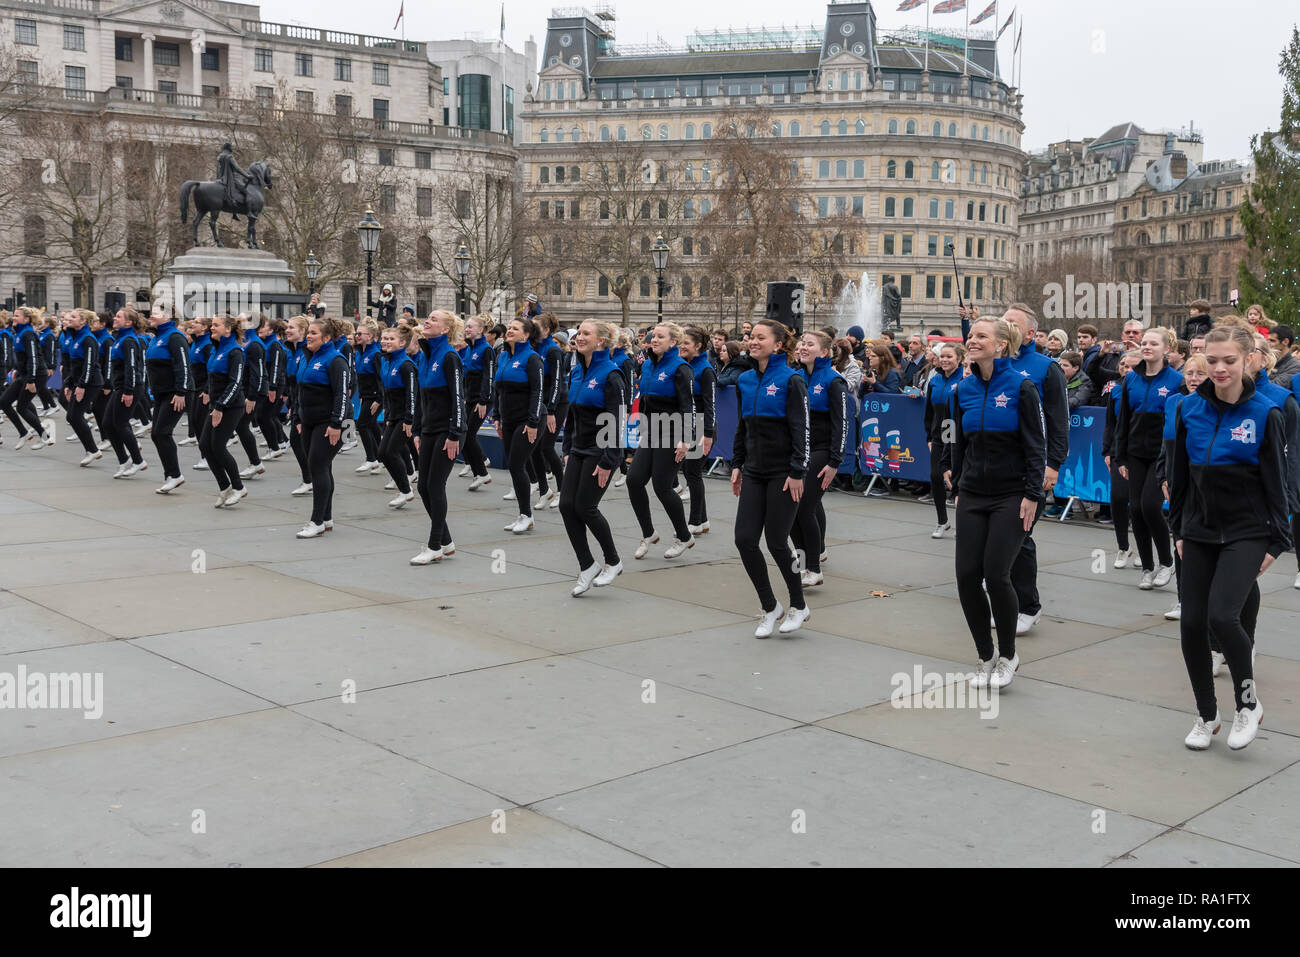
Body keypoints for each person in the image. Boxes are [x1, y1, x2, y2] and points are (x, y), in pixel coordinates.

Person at [1171, 325, 1291, 751]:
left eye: (1229, 361)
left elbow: (1277, 482)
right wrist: (1178, 531)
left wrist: (1278, 542)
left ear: (1247, 361)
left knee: (1223, 617)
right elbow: (1179, 477)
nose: (1219, 368)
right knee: (1191, 625)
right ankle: (1206, 715)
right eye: (1212, 360)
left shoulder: (1266, 413)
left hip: (1248, 532)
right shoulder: (1187, 409)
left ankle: (1247, 704)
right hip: (1198, 531)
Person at [945, 316, 1046, 690]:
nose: (972, 341)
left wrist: (1033, 494)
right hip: (972, 493)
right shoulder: (961, 390)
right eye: (970, 336)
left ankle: (1008, 655)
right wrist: (955, 480)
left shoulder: (1023, 387)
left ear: (1002, 345)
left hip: (1012, 495)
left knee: (996, 573)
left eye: (981, 336)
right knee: (966, 576)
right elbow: (955, 439)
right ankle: (985, 654)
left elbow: (1037, 445)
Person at [732, 320, 811, 637]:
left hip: (783, 474)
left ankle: (799, 604)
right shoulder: (746, 380)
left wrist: (797, 472)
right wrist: (737, 463)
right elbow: (742, 426)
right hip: (753, 470)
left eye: (760, 338)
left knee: (778, 542)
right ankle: (769, 606)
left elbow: (802, 430)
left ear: (778, 345)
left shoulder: (792, 381)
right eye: (751, 337)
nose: (753, 341)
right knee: (744, 539)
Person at [561, 319, 627, 594]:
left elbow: (617, 420)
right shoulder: (576, 371)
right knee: (567, 506)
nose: (579, 336)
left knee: (586, 507)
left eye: (586, 333)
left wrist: (609, 461)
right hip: (578, 449)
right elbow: (572, 415)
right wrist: (566, 449)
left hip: (601, 451)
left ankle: (613, 561)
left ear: (601, 340)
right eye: (578, 332)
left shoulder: (612, 374)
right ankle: (587, 565)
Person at [1116, 326, 1182, 590]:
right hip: (1135, 453)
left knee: (1151, 506)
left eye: (1153, 343)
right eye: (1144, 342)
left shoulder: (1176, 380)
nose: (1147, 347)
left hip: (1161, 454)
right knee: (1136, 510)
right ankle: (1147, 567)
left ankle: (1167, 562)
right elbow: (1124, 420)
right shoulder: (1131, 379)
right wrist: (1120, 456)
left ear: (1166, 349)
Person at [628, 322, 696, 560]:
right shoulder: (646, 365)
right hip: (651, 432)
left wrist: (685, 439)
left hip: (672, 433)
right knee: (634, 480)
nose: (654, 340)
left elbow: (688, 406)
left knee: (662, 487)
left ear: (673, 342)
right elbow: (645, 400)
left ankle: (684, 536)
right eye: (653, 336)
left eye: (660, 337)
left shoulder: (681, 368)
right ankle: (649, 533)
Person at [791, 330, 850, 586]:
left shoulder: (833, 381)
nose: (803, 347)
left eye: (810, 344)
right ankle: (806, 561)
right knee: (793, 509)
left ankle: (813, 569)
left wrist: (835, 461)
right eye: (802, 343)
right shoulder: (797, 376)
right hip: (798, 451)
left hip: (822, 451)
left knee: (804, 507)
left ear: (824, 351)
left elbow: (842, 423)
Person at [410, 310, 466, 560]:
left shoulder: (450, 356)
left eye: (433, 319)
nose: (427, 321)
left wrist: (454, 434)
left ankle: (435, 547)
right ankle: (446, 540)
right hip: (430, 430)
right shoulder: (424, 355)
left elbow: (458, 398)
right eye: (428, 317)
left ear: (445, 330)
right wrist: (418, 430)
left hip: (448, 430)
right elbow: (422, 399)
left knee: (435, 485)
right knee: (423, 486)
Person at [1157, 354, 1209, 621]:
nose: (1193, 379)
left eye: (1200, 373)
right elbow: (1167, 443)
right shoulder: (1176, 403)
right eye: (1189, 373)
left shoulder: (1215, 407)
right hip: (1177, 483)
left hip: (1205, 487)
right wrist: (1163, 476)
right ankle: (1183, 600)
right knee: (1180, 542)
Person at [294, 317, 349, 537]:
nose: (308, 335)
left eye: (313, 333)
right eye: (308, 332)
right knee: (321, 467)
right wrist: (298, 418)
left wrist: (336, 424)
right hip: (310, 422)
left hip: (333, 423)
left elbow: (343, 394)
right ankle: (326, 518)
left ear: (326, 338)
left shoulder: (336, 360)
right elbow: (301, 390)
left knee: (317, 467)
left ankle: (316, 521)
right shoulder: (309, 357)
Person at [494, 317, 544, 533]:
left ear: (526, 335)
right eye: (509, 327)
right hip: (509, 419)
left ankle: (527, 515)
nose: (510, 330)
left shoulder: (532, 358)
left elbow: (538, 391)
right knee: (513, 467)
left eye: (516, 328)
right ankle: (523, 513)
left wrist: (533, 422)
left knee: (516, 464)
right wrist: (497, 416)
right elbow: (499, 389)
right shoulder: (503, 356)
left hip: (529, 420)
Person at [199, 314, 248, 507]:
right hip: (216, 404)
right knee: (205, 445)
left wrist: (220, 406)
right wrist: (208, 393)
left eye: (216, 325)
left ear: (228, 329)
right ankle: (224, 486)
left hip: (231, 406)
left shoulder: (235, 351)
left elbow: (235, 382)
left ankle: (238, 487)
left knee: (218, 446)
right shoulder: (215, 349)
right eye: (211, 325)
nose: (212, 328)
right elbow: (213, 378)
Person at [144, 306, 191, 493]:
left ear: (167, 317)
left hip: (174, 393)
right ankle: (171, 474)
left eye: (155, 313)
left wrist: (181, 392)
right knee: (157, 434)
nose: (150, 316)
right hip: (162, 393)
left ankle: (175, 475)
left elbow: (184, 366)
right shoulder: (157, 338)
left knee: (161, 433)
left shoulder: (175, 337)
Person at [376, 323, 420, 518]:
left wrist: (410, 419)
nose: (386, 341)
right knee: (383, 453)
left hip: (405, 417)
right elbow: (387, 393)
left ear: (402, 343)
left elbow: (412, 394)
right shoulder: (386, 362)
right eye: (384, 338)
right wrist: (387, 416)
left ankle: (406, 490)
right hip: (393, 417)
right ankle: (405, 488)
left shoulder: (406, 365)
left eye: (391, 339)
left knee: (391, 452)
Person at [677, 327, 717, 537]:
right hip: (688, 426)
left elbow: (710, 404)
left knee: (693, 474)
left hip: (702, 426)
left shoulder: (706, 370)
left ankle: (694, 522)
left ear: (698, 346)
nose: (681, 346)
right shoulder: (685, 366)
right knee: (691, 473)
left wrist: (707, 433)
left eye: (685, 343)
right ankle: (703, 521)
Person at [924, 342, 966, 538]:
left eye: (949, 356)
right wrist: (929, 437)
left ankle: (965, 523)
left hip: (957, 434)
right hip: (938, 434)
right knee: (935, 476)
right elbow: (929, 413)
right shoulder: (935, 380)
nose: (945, 360)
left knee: (956, 479)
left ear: (959, 359)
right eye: (943, 356)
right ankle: (942, 521)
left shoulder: (964, 380)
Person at [1101, 350, 1140, 559]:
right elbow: (1110, 423)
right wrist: (1107, 450)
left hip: (1143, 452)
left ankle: (1145, 548)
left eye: (1132, 366)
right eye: (1124, 365)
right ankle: (1123, 547)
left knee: (1140, 504)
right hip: (1119, 452)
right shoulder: (1115, 391)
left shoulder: (1146, 390)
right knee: (1118, 497)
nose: (1127, 369)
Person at [104, 308, 149, 477]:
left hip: (129, 387)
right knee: (108, 424)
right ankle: (124, 460)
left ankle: (138, 461)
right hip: (120, 387)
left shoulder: (129, 340)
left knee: (121, 424)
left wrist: (128, 391)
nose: (114, 318)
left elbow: (131, 366)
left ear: (129, 322)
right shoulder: (120, 337)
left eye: (118, 316)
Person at [531, 313, 568, 512]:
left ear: (546, 330)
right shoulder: (533, 347)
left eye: (535, 327)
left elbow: (556, 382)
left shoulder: (553, 350)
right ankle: (544, 490)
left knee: (546, 447)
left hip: (556, 403)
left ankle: (563, 490)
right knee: (534, 449)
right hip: (539, 403)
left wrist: (552, 410)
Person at [1, 306, 51, 448]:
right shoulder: (19, 333)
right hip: (25, 374)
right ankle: (24, 433)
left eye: (17, 316)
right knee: (4, 402)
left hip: (36, 375)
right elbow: (22, 357)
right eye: (14, 315)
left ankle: (44, 436)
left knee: (22, 407)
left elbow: (33, 357)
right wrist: (17, 369)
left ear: (26, 319)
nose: (13, 318)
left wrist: (31, 380)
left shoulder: (28, 333)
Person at [60, 308, 104, 467]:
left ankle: (93, 450)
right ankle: (92, 450)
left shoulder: (88, 339)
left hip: (91, 382)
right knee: (72, 416)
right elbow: (74, 366)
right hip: (81, 381)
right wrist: (69, 385)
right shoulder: (75, 337)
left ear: (83, 321)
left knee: (74, 416)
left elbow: (90, 365)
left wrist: (81, 386)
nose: (68, 318)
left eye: (73, 316)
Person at [459, 314, 496, 491]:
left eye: (471, 327)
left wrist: (483, 401)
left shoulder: (486, 350)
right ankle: (479, 470)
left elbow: (488, 377)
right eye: (466, 326)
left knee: (469, 434)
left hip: (482, 399)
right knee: (464, 434)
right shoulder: (468, 349)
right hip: (469, 398)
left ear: (480, 330)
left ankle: (482, 471)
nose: (467, 329)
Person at [350, 317, 384, 476]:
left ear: (370, 336)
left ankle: (372, 458)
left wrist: (379, 400)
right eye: (356, 333)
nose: (357, 336)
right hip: (366, 395)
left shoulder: (376, 354)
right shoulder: (359, 352)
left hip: (375, 396)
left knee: (363, 425)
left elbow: (381, 378)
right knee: (371, 425)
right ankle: (381, 457)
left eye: (360, 334)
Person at [1085, 319, 1144, 394]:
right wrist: (1101, 353)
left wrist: (1140, 352)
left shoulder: (1148, 356)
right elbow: (1092, 372)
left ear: (1142, 336)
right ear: (1122, 335)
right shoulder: (1109, 356)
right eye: (1128, 332)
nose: (1131, 335)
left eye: (1135, 332)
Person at [182, 318, 212, 456]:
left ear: (205, 327)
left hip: (203, 389)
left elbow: (210, 370)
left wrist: (207, 390)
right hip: (194, 388)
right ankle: (206, 454)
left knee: (200, 422)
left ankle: (207, 455)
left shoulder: (207, 344)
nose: (192, 324)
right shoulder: (195, 342)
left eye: (196, 322)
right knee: (195, 420)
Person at [1267, 324, 1300, 389]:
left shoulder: (1296, 367)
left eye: (1272, 341)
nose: (1268, 344)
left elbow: (1273, 388)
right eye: (1268, 340)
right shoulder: (1266, 361)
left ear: (1285, 342)